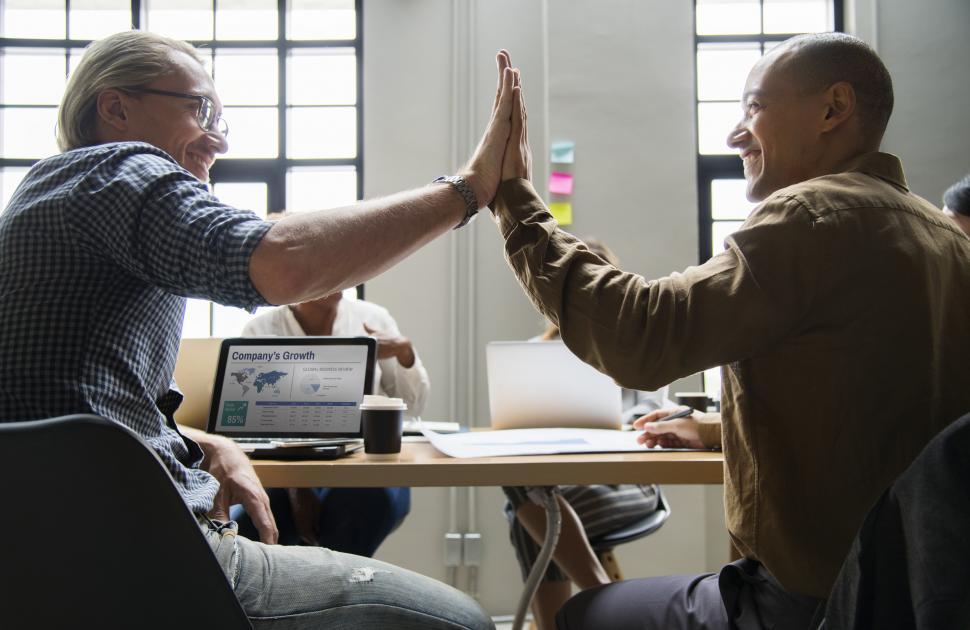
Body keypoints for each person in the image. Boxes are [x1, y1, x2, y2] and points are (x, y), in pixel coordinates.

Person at [0, 30, 516, 629]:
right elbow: (283, 261)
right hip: (135, 552)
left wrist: (202, 442)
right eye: (201, 110)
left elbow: (84, 400)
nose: (217, 138)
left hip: (45, 551)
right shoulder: (121, 171)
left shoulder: (42, 196)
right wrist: (469, 189)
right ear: (116, 108)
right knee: (463, 621)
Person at [489, 34, 970, 629]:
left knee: (584, 616)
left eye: (754, 108)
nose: (734, 134)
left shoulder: (809, 215)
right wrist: (714, 427)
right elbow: (897, 409)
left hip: (811, 603)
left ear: (832, 108)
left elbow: (642, 331)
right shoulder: (946, 238)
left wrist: (513, 197)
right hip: (920, 592)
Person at [501, 238, 668, 630]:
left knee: (525, 518)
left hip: (628, 483)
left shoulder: (637, 346)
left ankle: (583, 605)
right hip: (562, 481)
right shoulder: (533, 354)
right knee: (523, 492)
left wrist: (620, 424)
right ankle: (599, 600)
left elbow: (652, 414)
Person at [236, 257, 430, 556]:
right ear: (289, 279)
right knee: (252, 521)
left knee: (360, 505)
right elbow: (253, 427)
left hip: (364, 468)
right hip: (284, 472)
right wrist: (297, 487)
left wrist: (404, 352)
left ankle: (332, 594)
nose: (337, 276)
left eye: (340, 266)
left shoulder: (373, 319)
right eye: (322, 266)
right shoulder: (260, 331)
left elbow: (413, 406)